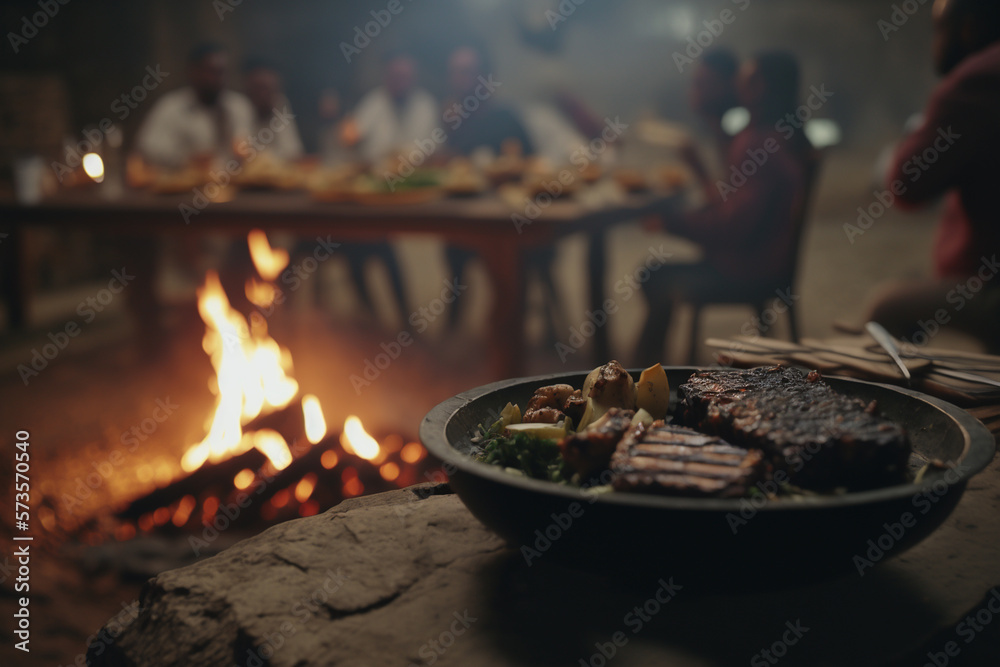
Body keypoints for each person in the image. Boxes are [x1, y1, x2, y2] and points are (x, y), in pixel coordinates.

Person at [636, 51, 812, 363]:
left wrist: (670, 222)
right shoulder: (784, 137)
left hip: (747, 269)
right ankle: (648, 367)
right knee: (655, 275)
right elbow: (735, 208)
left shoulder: (756, 142)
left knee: (654, 276)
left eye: (746, 79)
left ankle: (646, 370)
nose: (738, 86)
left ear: (761, 87)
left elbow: (731, 227)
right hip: (767, 265)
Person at [857, 0, 1000, 350]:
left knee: (886, 308)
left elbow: (906, 184)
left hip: (990, 284)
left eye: (939, 28)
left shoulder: (979, 79)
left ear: (967, 28)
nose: (935, 42)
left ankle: (910, 401)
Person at [136, 43, 254, 168]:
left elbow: (248, 145)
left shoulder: (239, 106)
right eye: (211, 72)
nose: (217, 79)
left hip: (234, 182)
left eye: (222, 72)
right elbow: (147, 148)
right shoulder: (171, 107)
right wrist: (187, 159)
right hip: (184, 182)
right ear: (194, 72)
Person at [341, 50, 439, 165]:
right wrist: (348, 135)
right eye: (397, 77)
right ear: (387, 76)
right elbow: (351, 136)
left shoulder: (426, 104)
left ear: (414, 78)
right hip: (377, 173)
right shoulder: (373, 103)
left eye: (405, 77)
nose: (401, 83)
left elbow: (437, 148)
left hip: (419, 173)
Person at [242, 58, 305, 162]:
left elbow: (293, 152)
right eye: (260, 89)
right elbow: (241, 155)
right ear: (249, 89)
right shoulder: (240, 107)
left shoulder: (279, 103)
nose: (265, 95)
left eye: (272, 90)